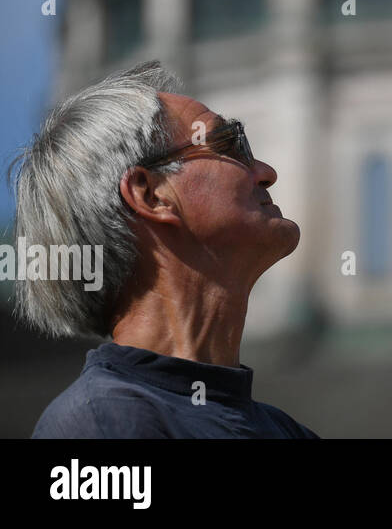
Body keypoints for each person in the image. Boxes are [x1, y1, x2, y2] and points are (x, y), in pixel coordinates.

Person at [11, 61, 318, 438]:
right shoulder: (101, 424)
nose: (266, 171)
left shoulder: (289, 432)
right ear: (151, 195)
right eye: (229, 145)